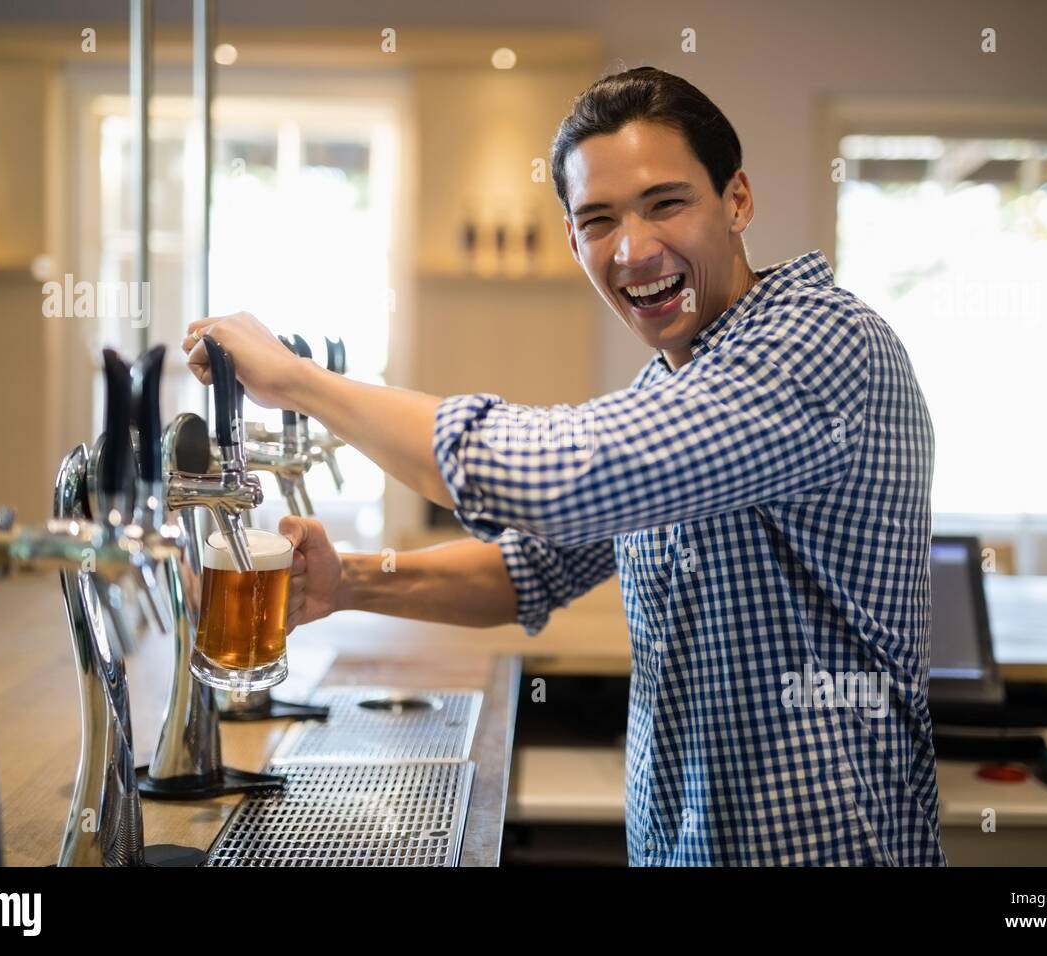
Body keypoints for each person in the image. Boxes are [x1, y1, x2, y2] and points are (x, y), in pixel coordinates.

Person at [183, 66, 944, 866]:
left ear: (738, 200)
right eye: (598, 220)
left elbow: (556, 480)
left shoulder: (818, 342)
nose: (634, 249)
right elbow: (529, 572)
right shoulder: (674, 385)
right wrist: (350, 584)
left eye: (666, 204)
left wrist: (301, 382)